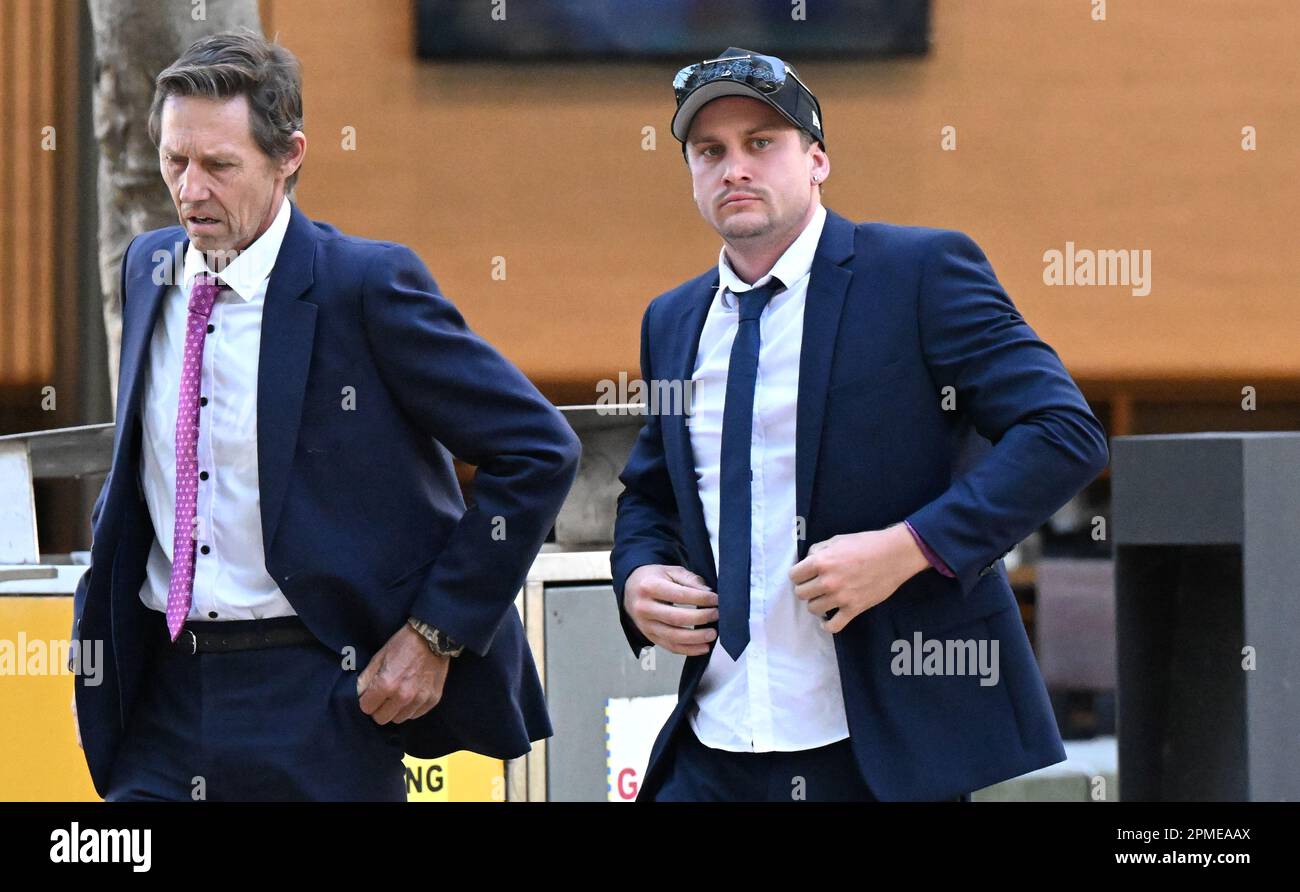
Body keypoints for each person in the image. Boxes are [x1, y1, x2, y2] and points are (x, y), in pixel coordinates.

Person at [70, 29, 580, 801]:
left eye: (219, 165)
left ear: (290, 156)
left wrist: (436, 633)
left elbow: (539, 450)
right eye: (176, 160)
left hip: (319, 698)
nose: (190, 189)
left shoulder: (364, 286)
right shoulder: (149, 267)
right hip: (165, 698)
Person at [611, 47, 1109, 802]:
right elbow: (651, 491)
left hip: (880, 745)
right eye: (709, 151)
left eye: (761, 144)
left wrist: (911, 547)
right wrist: (638, 573)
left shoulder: (918, 273)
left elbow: (1063, 433)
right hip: (714, 739)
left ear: (817, 161)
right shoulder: (674, 321)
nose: (733, 168)